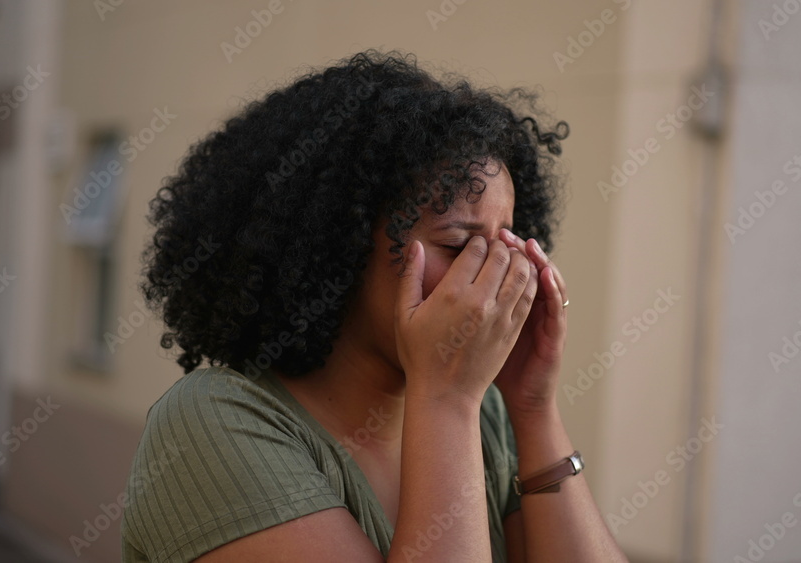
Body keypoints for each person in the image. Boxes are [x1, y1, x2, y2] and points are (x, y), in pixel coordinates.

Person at [122, 50, 627, 563]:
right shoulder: (213, 424)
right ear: (338, 246)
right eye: (460, 246)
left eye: (510, 245)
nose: (499, 273)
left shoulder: (488, 414)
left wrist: (532, 406)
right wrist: (447, 399)